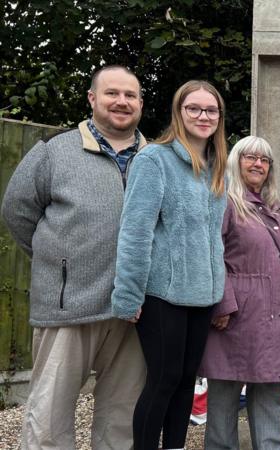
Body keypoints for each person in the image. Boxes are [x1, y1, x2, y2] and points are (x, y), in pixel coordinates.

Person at [1, 65, 146, 449]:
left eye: (130, 95)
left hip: (135, 310)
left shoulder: (156, 159)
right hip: (69, 304)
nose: (122, 102)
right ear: (92, 98)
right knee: (49, 415)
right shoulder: (54, 153)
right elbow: (17, 211)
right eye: (112, 93)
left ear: (141, 104)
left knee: (124, 415)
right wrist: (58, 261)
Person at [111, 80, 228, 450]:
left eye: (211, 110)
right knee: (163, 380)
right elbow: (135, 231)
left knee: (185, 380)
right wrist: (128, 295)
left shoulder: (216, 168)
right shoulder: (154, 160)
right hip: (162, 295)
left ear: (219, 118)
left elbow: (214, 238)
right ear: (179, 113)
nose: (203, 116)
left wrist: (219, 291)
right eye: (193, 108)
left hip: (202, 297)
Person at [198, 135, 280, 450]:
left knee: (269, 395)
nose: (258, 164)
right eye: (251, 157)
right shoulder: (224, 201)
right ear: (236, 161)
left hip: (274, 317)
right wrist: (222, 306)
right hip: (234, 318)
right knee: (224, 399)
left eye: (265, 160)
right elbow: (212, 254)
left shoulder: (277, 210)